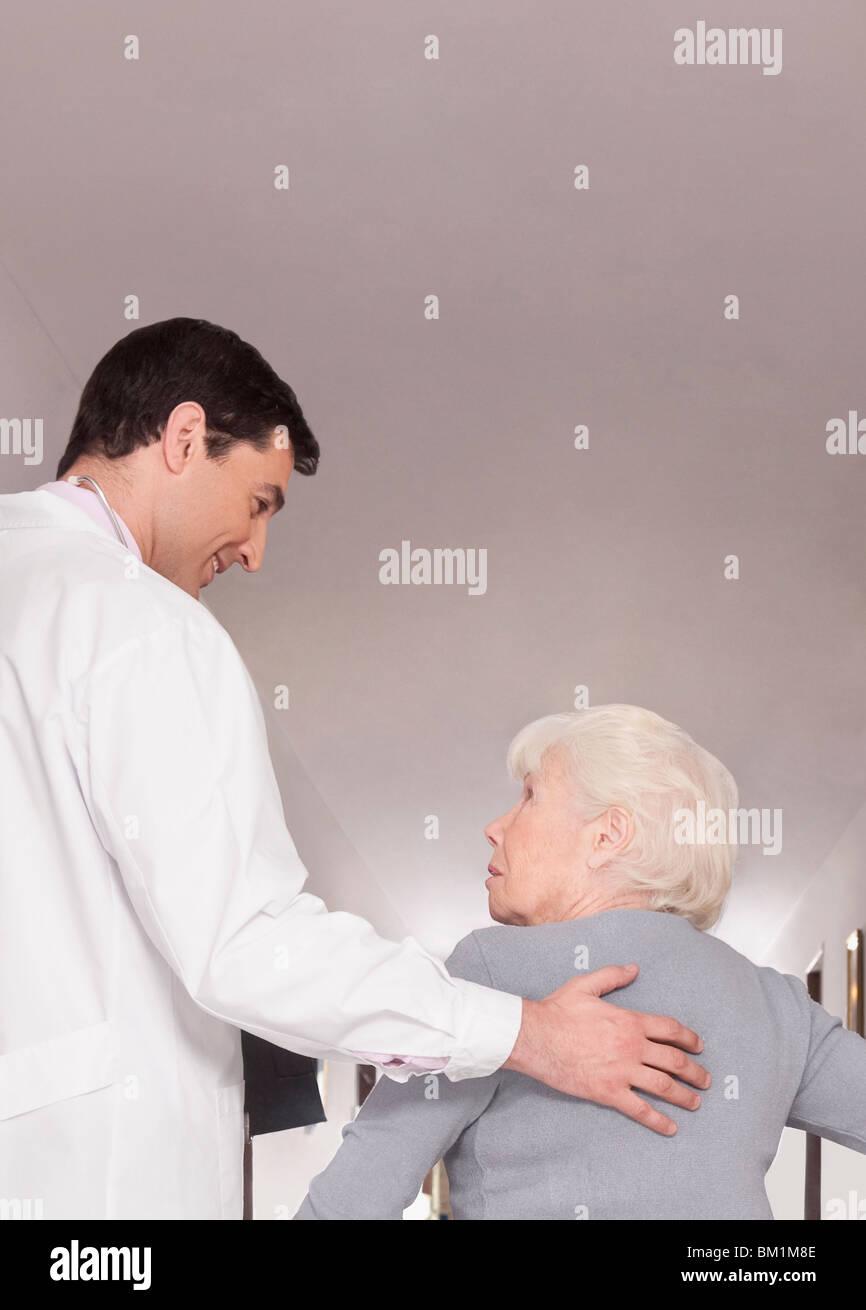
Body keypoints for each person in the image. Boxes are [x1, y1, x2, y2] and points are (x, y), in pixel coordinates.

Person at [0, 320, 709, 1220]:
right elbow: (243, 945)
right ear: (183, 439)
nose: (255, 552)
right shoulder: (144, 625)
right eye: (260, 501)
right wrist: (526, 1031)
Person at [295, 704, 866, 1220]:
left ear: (607, 836)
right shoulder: (779, 1006)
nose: (494, 827)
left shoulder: (493, 972)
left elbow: (352, 1200)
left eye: (530, 796)